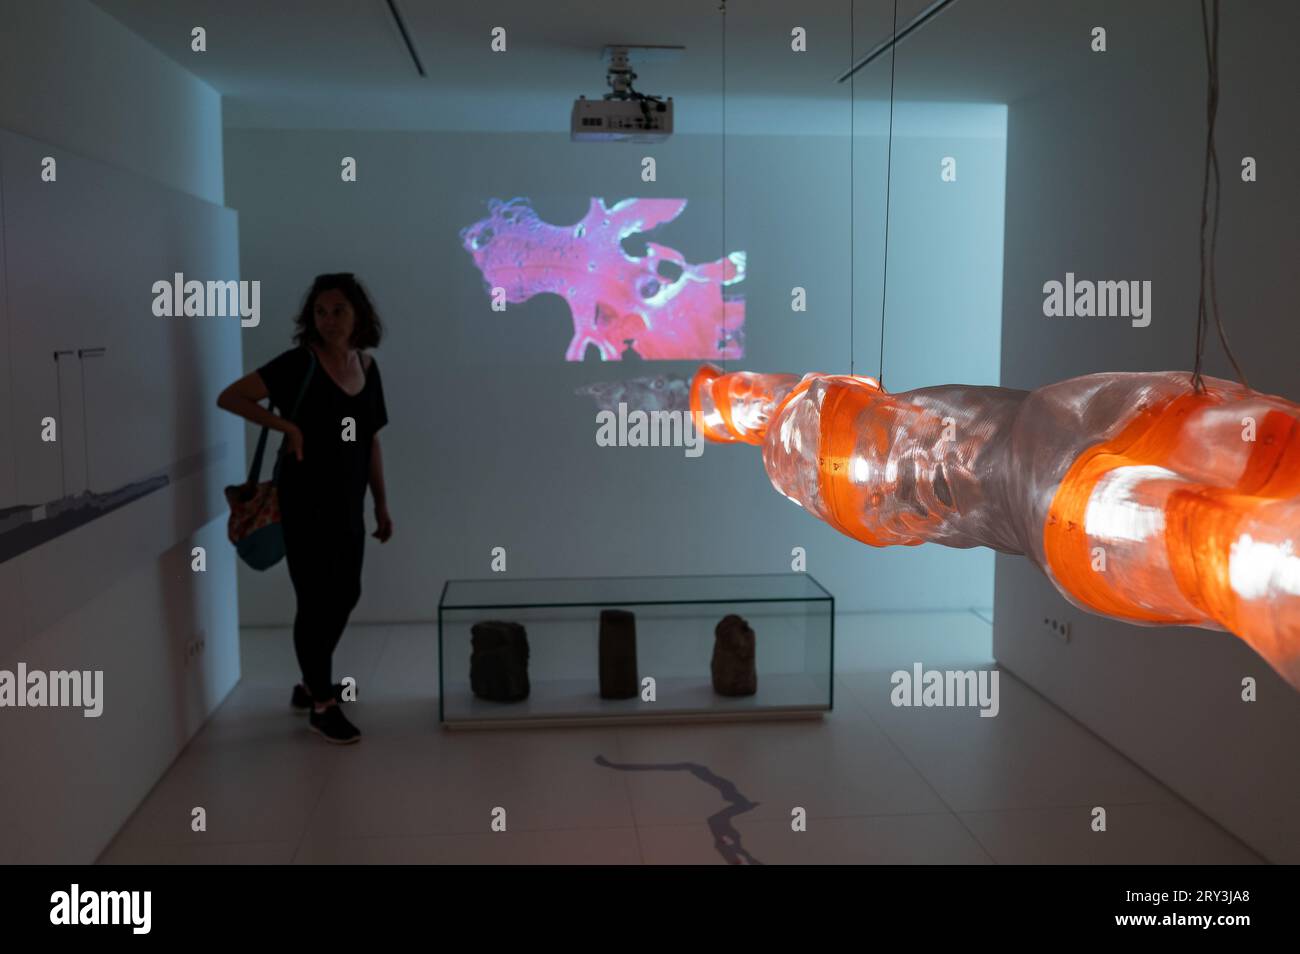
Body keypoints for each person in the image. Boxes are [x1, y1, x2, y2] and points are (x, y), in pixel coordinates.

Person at [217, 273, 392, 743]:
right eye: (320, 312)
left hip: (348, 503)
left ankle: (311, 679)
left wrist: (381, 503)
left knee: (347, 593)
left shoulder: (367, 368)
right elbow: (231, 396)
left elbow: (370, 440)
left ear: (358, 314)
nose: (329, 320)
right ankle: (321, 703)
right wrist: (287, 428)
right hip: (304, 500)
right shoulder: (300, 363)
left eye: (338, 310)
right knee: (315, 601)